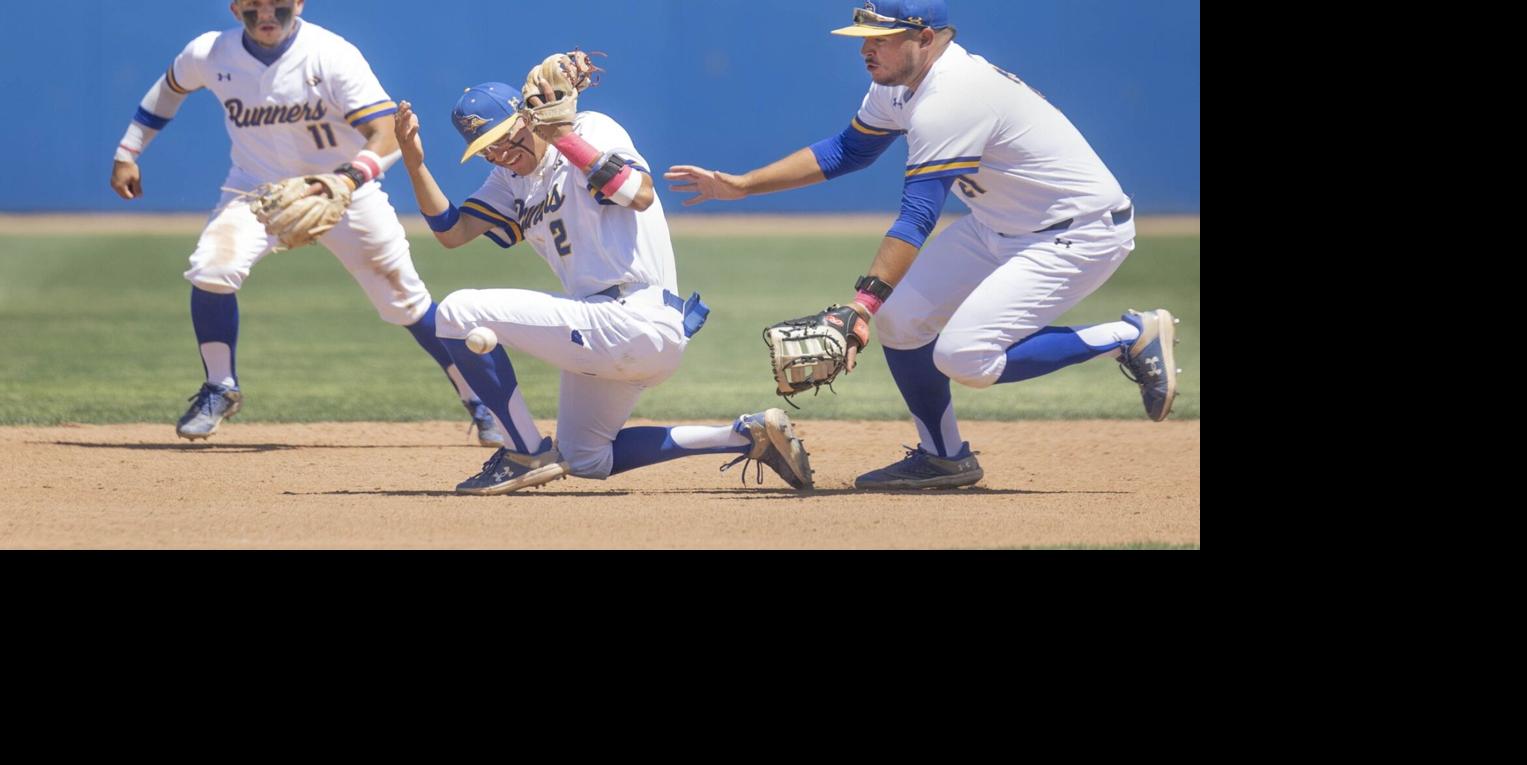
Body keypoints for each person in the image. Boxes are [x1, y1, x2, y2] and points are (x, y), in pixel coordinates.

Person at [666, 0, 1180, 491]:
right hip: (997, 225)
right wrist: (741, 184)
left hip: (1078, 232)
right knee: (900, 322)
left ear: (925, 38)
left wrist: (862, 303)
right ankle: (944, 457)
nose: (867, 50)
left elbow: (917, 217)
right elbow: (848, 150)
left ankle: (1126, 335)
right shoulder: (899, 83)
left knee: (965, 356)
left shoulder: (952, 97)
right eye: (864, 38)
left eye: (882, 39)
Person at [392, 58, 813, 495]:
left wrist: (563, 137)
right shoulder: (509, 179)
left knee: (459, 311)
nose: (499, 154)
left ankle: (523, 453)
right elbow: (453, 233)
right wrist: (414, 163)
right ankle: (747, 436)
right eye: (486, 149)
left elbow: (639, 193)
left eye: (503, 138)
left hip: (635, 315)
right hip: (603, 326)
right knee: (585, 457)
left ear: (526, 118)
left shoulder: (589, 129)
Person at [109, 0, 505, 445]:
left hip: (345, 189)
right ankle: (220, 386)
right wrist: (129, 150)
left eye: (278, 6)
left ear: (298, 3)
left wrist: (349, 178)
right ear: (235, 6)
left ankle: (481, 400)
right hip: (256, 188)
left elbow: (388, 133)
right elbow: (168, 89)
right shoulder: (210, 53)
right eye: (253, 7)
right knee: (212, 269)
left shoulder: (330, 54)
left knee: (406, 303)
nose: (265, 16)